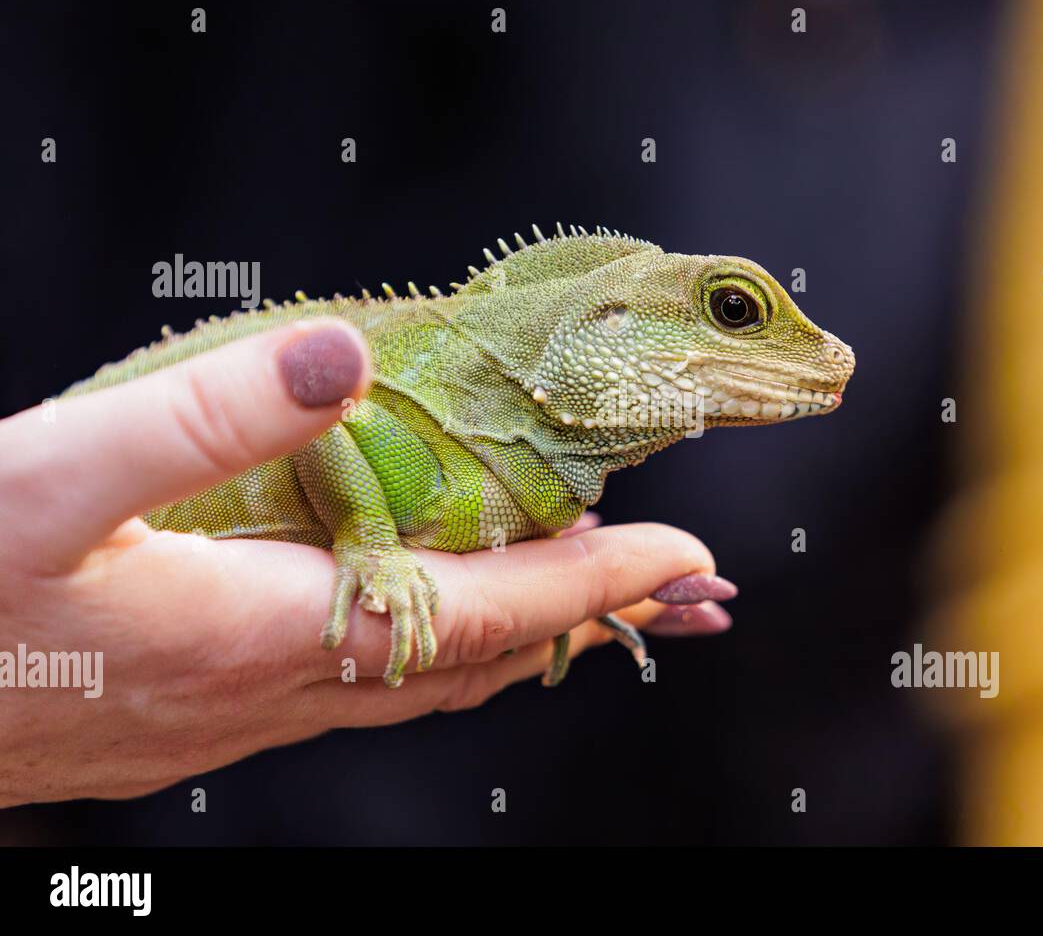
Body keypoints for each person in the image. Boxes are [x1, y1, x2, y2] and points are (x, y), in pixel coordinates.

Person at [0, 320, 732, 808]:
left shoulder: (498, 457)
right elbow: (334, 423)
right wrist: (370, 539)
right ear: (605, 322)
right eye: (735, 311)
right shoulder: (430, 464)